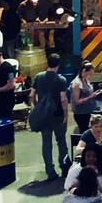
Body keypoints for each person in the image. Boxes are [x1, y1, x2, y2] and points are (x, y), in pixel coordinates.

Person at [31, 53, 70, 181]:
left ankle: (50, 171)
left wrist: (37, 106)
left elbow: (32, 95)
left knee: (46, 143)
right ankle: (64, 167)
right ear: (58, 65)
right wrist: (65, 115)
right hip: (57, 115)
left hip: (44, 117)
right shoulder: (61, 79)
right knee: (61, 141)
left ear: (47, 63)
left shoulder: (38, 77)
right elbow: (63, 99)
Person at [68, 64, 100, 138]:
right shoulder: (76, 83)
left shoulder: (85, 79)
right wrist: (90, 97)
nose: (92, 75)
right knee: (84, 132)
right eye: (90, 73)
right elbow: (77, 101)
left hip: (87, 111)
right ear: (84, 71)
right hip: (81, 113)